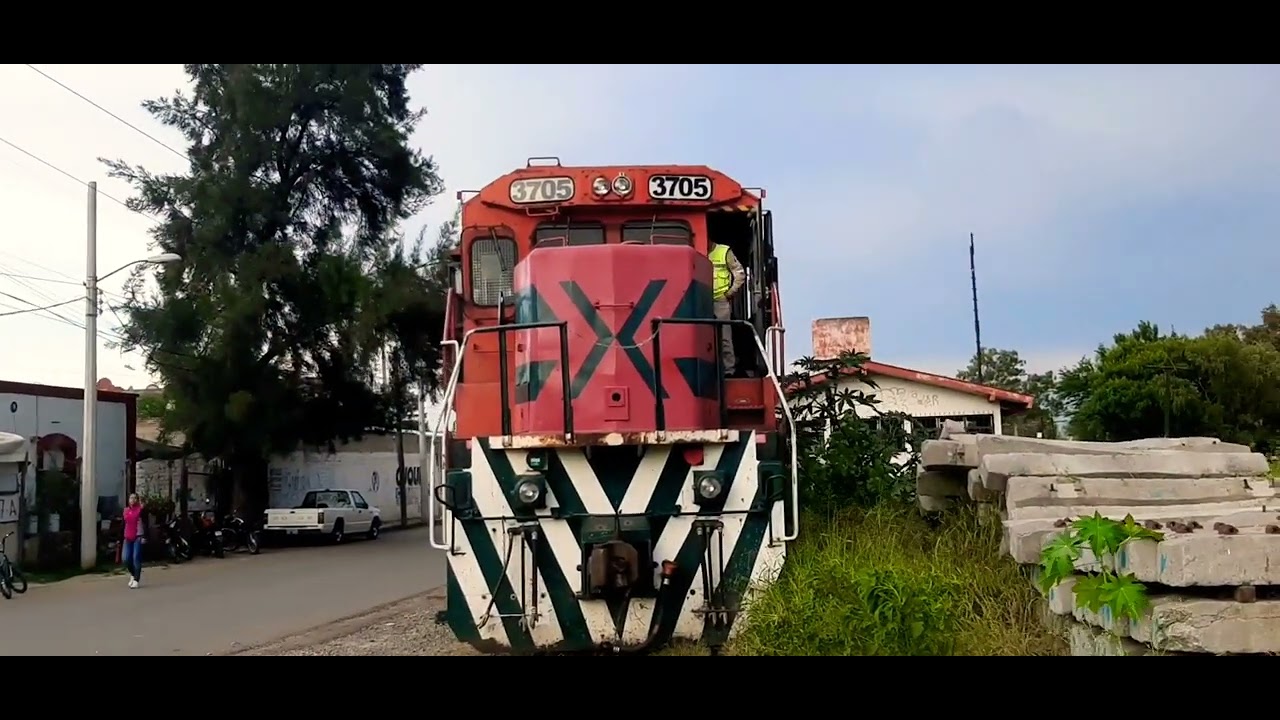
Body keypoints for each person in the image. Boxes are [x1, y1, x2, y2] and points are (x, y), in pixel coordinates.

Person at [708, 241, 746, 376]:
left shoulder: (724, 251)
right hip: (699, 299)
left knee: (724, 337)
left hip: (720, 301)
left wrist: (730, 293)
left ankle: (729, 370)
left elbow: (740, 274)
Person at [122, 493, 145, 589]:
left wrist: (145, 536)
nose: (132, 500)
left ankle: (136, 579)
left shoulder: (141, 510)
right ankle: (133, 574)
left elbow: (144, 522)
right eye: (131, 498)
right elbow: (128, 519)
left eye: (135, 498)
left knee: (136, 557)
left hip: (138, 536)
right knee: (126, 558)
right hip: (128, 537)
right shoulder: (126, 510)